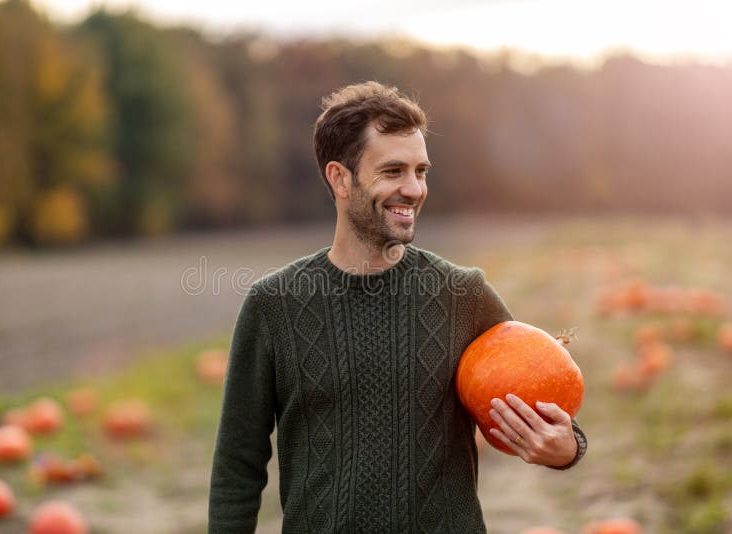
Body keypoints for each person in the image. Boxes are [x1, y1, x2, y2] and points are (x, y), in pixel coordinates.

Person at [208, 81, 587, 533]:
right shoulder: (274, 305)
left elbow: (541, 398)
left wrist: (568, 448)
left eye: (421, 171)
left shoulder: (462, 293)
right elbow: (237, 466)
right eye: (393, 171)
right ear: (339, 178)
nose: (413, 189)